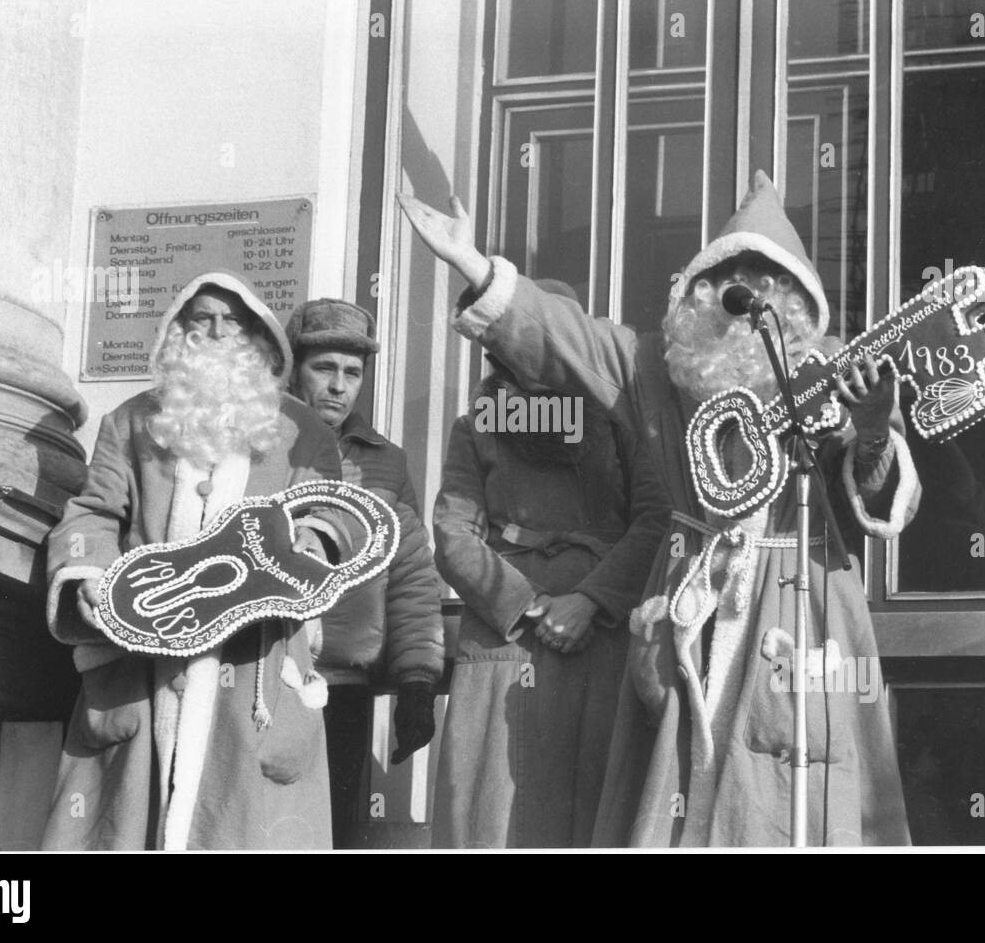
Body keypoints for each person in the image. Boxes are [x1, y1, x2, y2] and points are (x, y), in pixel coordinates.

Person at [398, 170, 920, 846]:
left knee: (793, 797)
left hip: (803, 606)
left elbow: (875, 498)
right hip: (685, 604)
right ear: (702, 290)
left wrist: (875, 429)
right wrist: (474, 264)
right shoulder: (654, 368)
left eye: (766, 284)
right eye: (733, 281)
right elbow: (565, 335)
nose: (748, 299)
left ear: (793, 300)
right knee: (675, 795)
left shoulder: (832, 371)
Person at [43, 270, 356, 850]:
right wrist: (90, 573)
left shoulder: (303, 431)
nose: (215, 333)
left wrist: (312, 544)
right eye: (200, 319)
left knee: (242, 825)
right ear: (177, 332)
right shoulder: (131, 420)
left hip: (256, 667)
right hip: (142, 663)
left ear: (258, 338)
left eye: (231, 321)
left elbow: (330, 512)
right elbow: (91, 513)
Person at [429, 287, 670, 847]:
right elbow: (453, 533)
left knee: (597, 811)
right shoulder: (477, 427)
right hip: (506, 639)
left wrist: (590, 601)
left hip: (605, 633)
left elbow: (658, 519)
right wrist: (527, 605)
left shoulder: (623, 425)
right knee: (494, 812)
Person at [285, 298, 445, 847]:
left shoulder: (387, 462)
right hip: (260, 667)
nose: (339, 385)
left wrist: (417, 680)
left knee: (326, 831)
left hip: (342, 684)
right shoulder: (259, 444)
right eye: (324, 368)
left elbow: (411, 577)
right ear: (293, 366)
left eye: (352, 373)